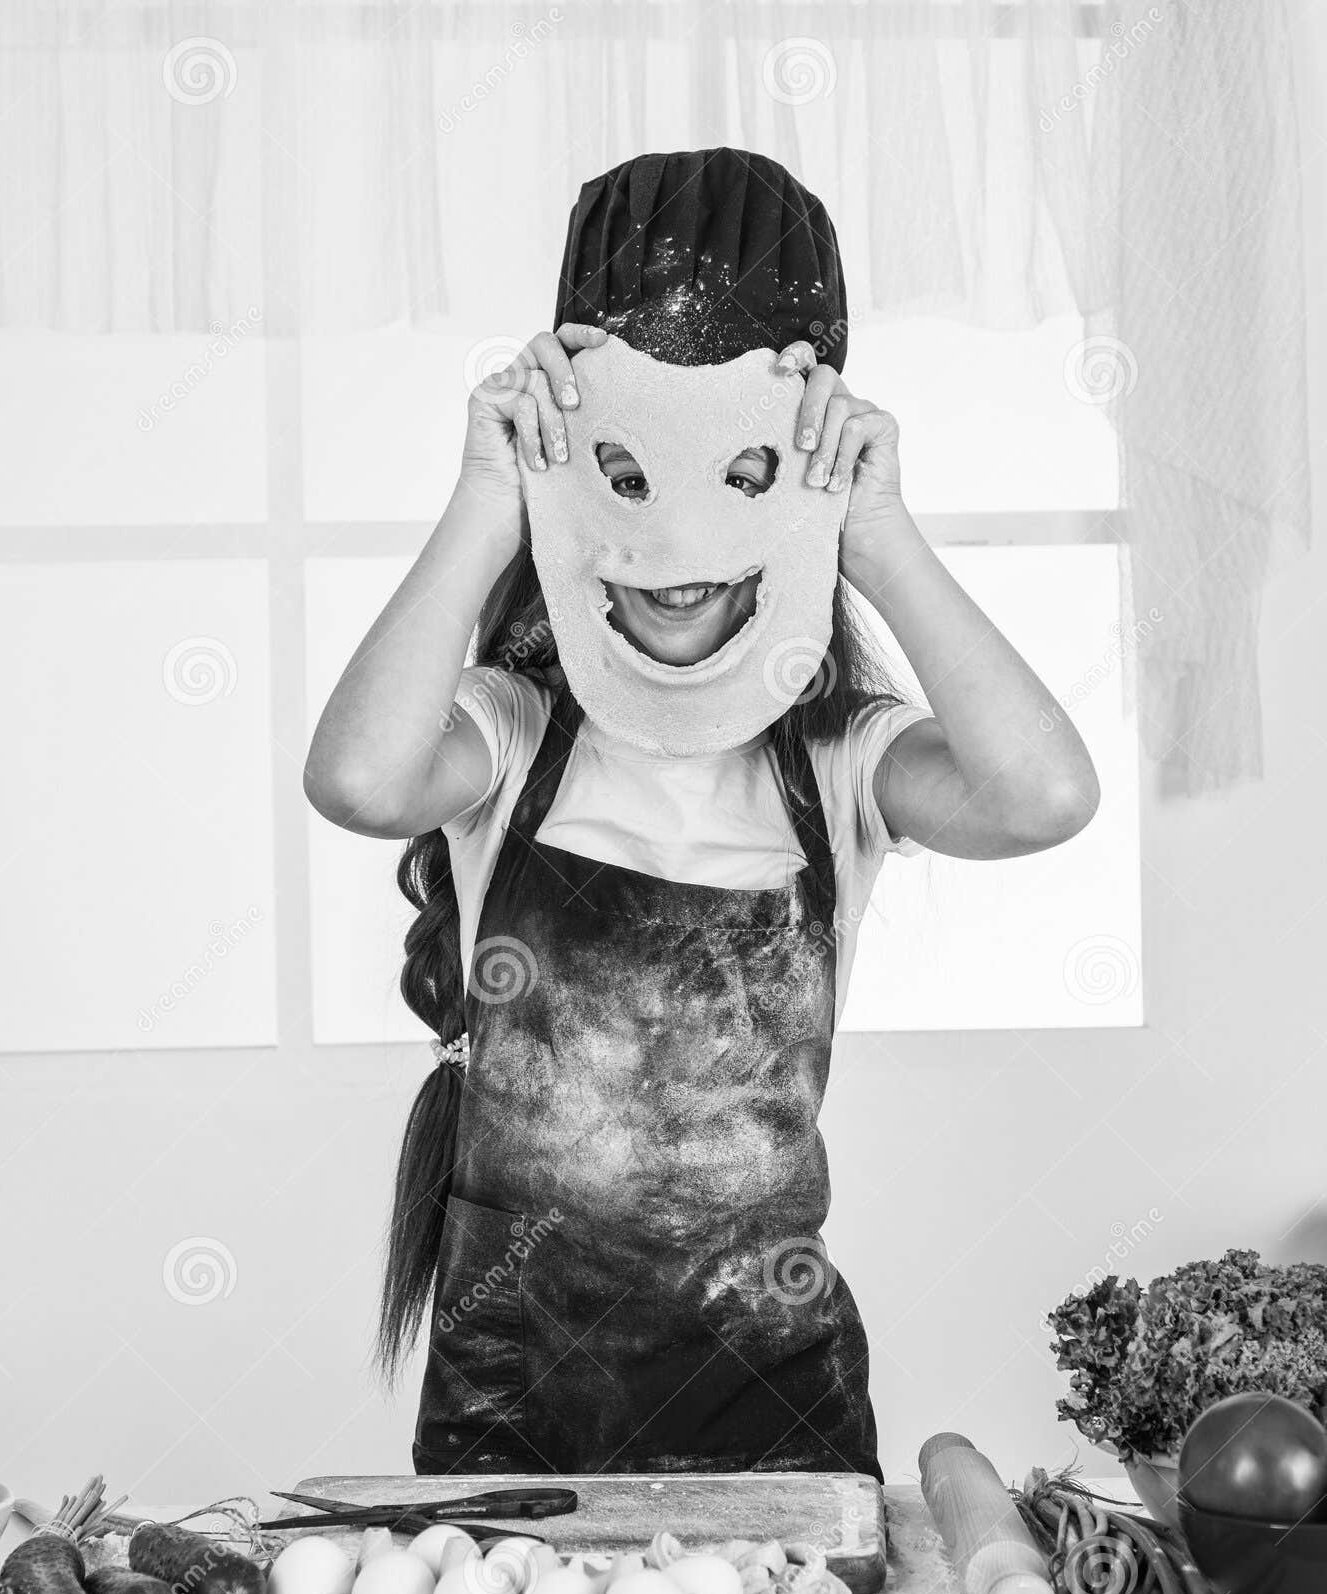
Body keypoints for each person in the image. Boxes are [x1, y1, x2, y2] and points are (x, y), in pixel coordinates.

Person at [305, 149, 1099, 1480]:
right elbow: (360, 779)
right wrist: (487, 495)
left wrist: (882, 529)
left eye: (738, 477)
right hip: (513, 1413)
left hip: (779, 1415)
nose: (678, 551)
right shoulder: (512, 731)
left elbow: (1046, 795)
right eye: (623, 468)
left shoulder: (842, 758)